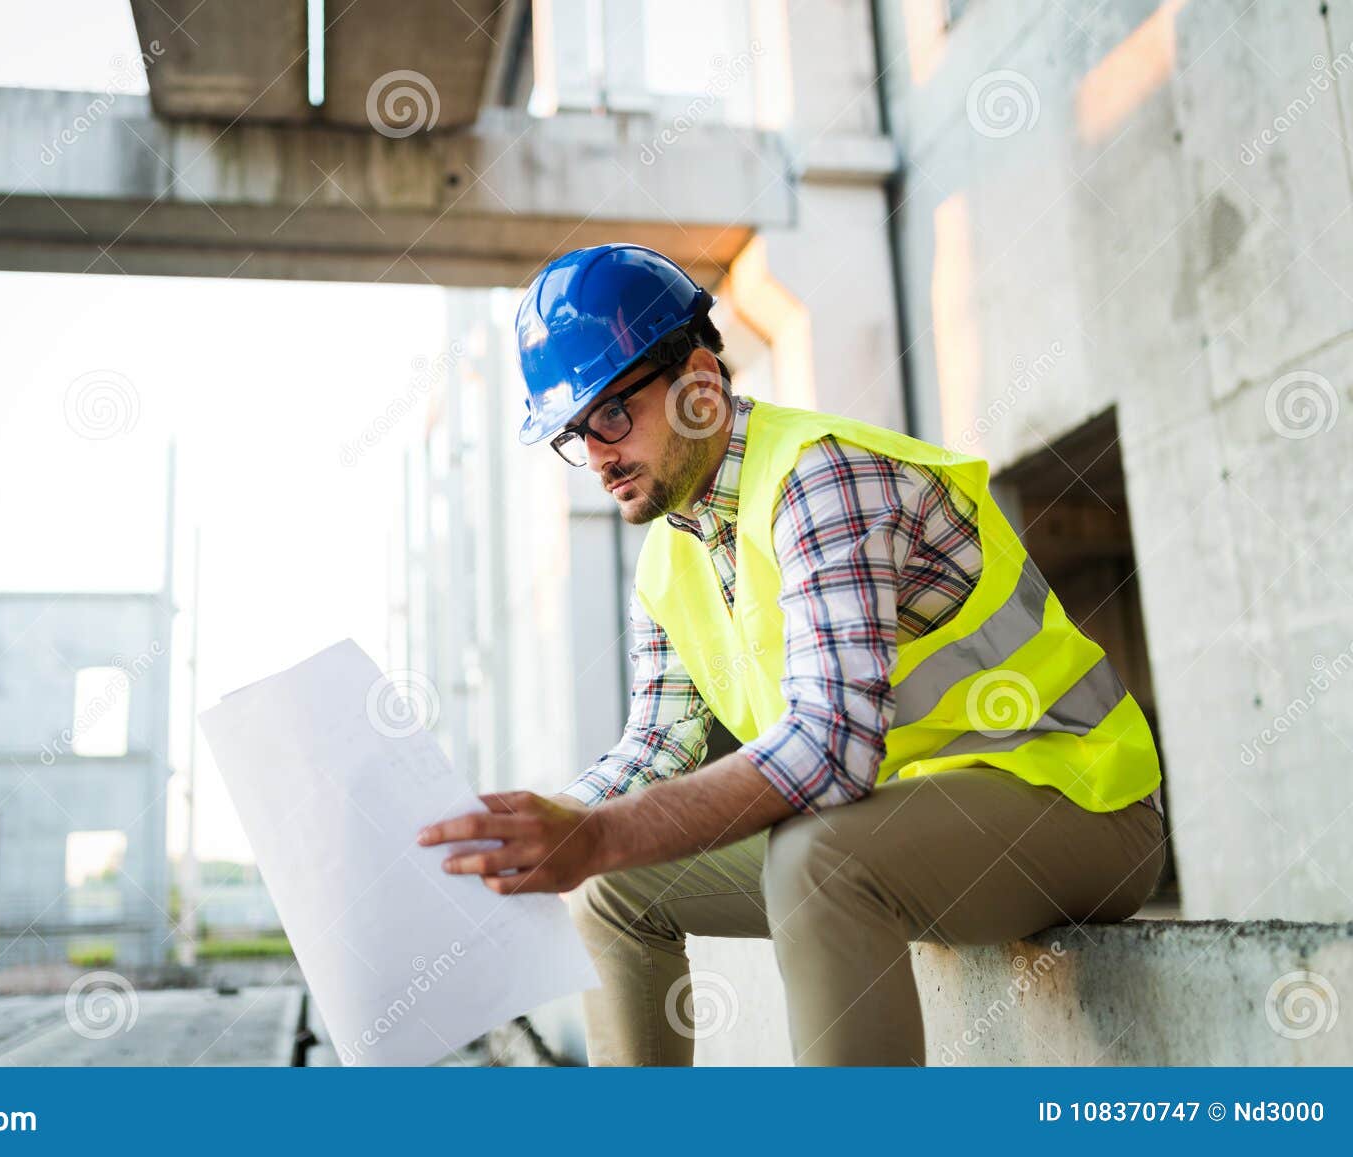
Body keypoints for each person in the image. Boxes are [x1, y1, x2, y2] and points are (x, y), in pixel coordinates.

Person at [417, 243, 1166, 1066]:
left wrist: (597, 832)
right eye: (573, 433)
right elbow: (654, 750)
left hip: (1078, 804)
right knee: (606, 886)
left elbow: (830, 748)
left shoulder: (823, 477)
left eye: (610, 414)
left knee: (817, 858)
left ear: (700, 383)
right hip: (901, 825)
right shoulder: (670, 557)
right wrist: (528, 838)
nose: (595, 454)